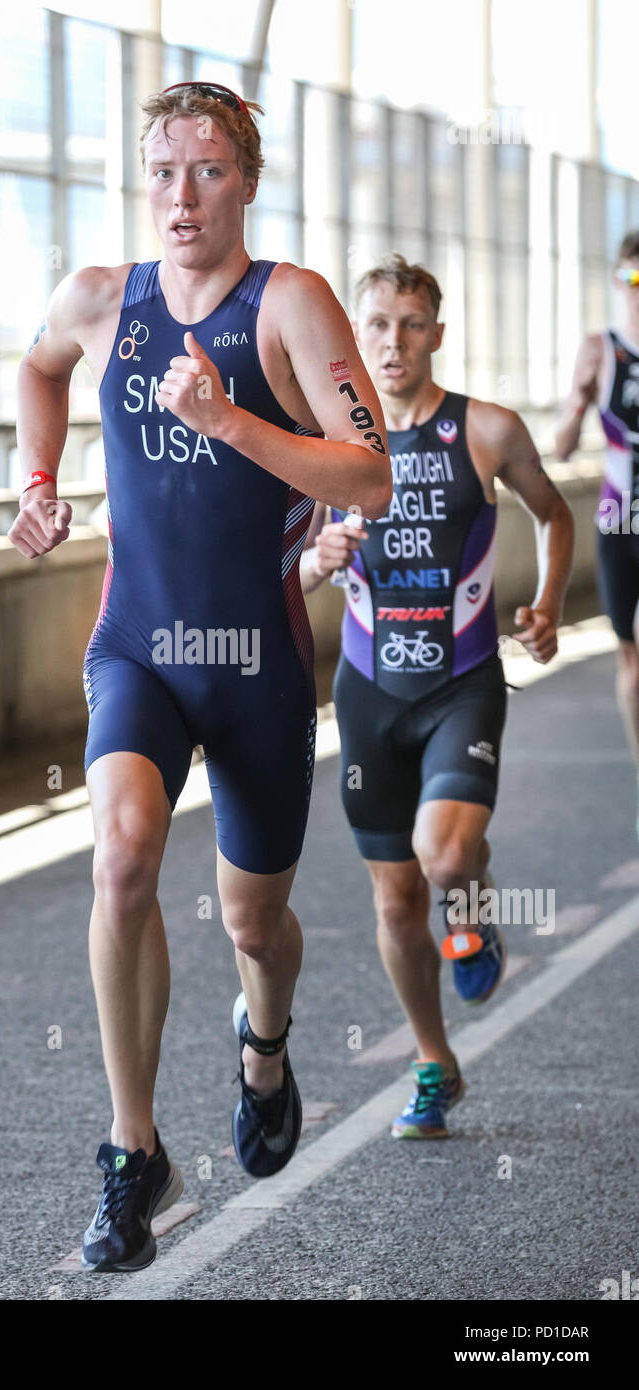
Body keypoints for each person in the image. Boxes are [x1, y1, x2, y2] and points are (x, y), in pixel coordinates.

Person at [8, 82, 391, 1270]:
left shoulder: (292, 303)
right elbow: (36, 371)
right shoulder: (97, 299)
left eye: (209, 170)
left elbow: (367, 479)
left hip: (257, 661)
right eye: (163, 170)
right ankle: (134, 1151)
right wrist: (35, 481)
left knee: (250, 919)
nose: (183, 195)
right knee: (120, 855)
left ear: (248, 180)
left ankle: (262, 1046)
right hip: (139, 647)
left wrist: (231, 422)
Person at [302, 253, 573, 1139]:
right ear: (355, 335)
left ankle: (475, 906)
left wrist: (548, 607)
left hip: (460, 682)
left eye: (411, 323)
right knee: (393, 902)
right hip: (369, 695)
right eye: (376, 323)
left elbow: (556, 511)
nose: (393, 341)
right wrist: (316, 562)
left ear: (437, 335)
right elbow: (288, 563)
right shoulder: (325, 440)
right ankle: (434, 1062)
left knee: (446, 858)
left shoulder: (485, 430)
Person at [555, 230, 639, 837]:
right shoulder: (601, 350)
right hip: (617, 520)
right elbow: (560, 447)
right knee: (630, 656)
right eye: (632, 279)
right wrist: (578, 403)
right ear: (618, 280)